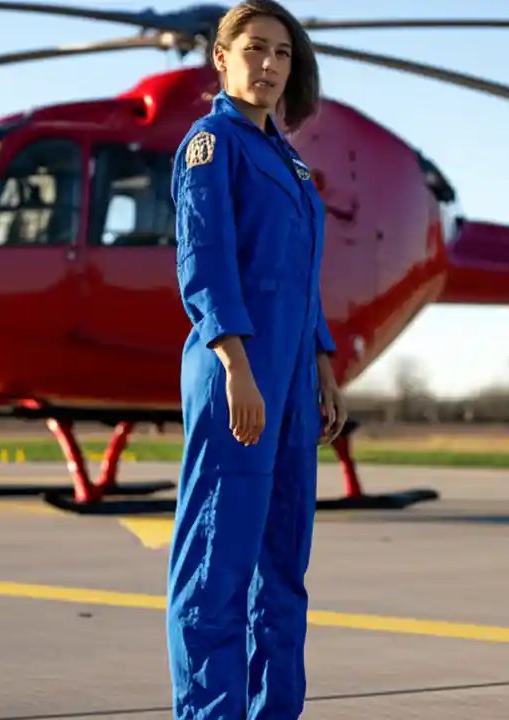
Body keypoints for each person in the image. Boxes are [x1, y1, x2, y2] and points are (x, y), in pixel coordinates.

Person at [166, 1, 348, 717]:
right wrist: (238, 368)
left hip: (291, 379)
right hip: (233, 372)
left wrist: (323, 370)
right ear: (222, 58)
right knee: (218, 565)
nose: (269, 65)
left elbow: (301, 281)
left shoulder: (292, 164)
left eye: (282, 54)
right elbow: (206, 264)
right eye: (255, 50)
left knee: (282, 569)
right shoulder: (211, 146)